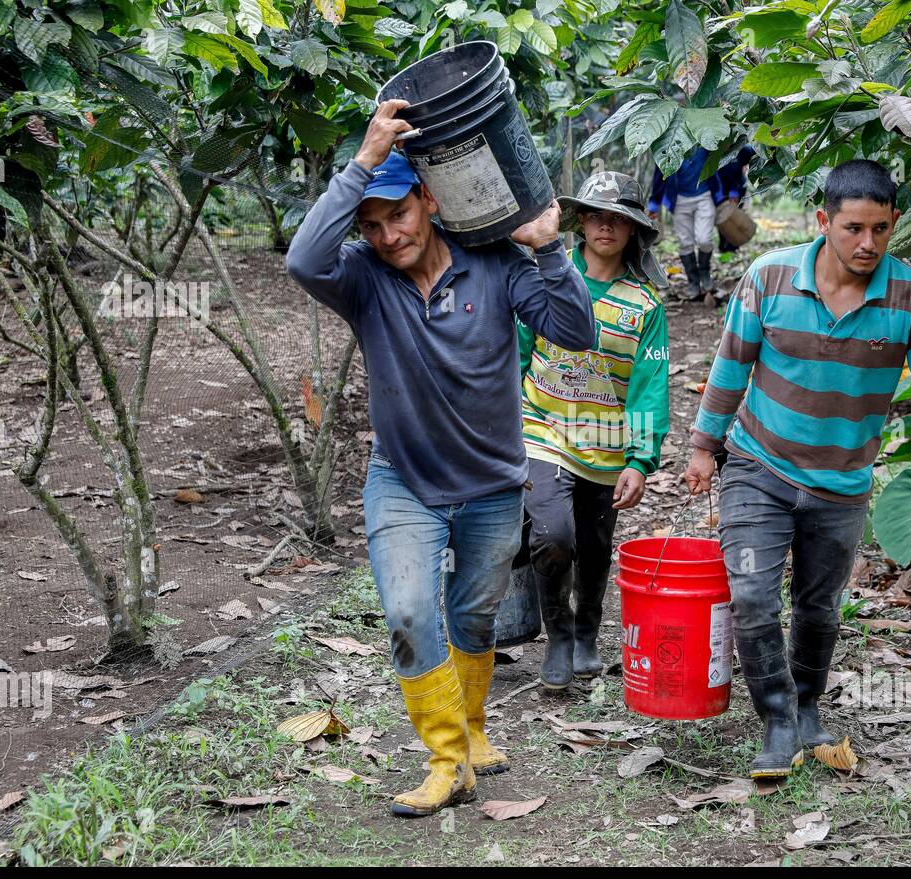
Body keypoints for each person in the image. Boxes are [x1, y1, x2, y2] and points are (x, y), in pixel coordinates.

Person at [286, 99, 595, 816]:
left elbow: (574, 333)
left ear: (428, 200)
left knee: (474, 620)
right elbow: (303, 259)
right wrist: (363, 161)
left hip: (490, 484)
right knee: (407, 613)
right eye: (369, 224)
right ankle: (447, 760)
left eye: (396, 214)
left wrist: (549, 248)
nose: (387, 235)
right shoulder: (362, 278)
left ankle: (475, 727)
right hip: (403, 480)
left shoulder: (493, 264)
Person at [683, 159, 911, 780]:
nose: (866, 243)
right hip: (759, 464)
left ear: (894, 224)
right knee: (755, 596)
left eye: (879, 229)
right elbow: (731, 364)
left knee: (819, 606)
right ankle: (778, 718)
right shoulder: (769, 277)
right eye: (852, 228)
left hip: (842, 484)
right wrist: (704, 446)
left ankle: (809, 706)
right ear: (824, 221)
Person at [519, 171, 670, 690]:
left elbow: (649, 386)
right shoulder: (549, 278)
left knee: (596, 543)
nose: (606, 226)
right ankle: (558, 634)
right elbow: (517, 352)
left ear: (634, 231)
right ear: (580, 222)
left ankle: (587, 632)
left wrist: (639, 459)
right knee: (552, 535)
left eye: (619, 219)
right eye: (596, 215)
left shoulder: (645, 305)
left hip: (605, 446)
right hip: (541, 427)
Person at [648, 146, 716, 301]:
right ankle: (693, 282)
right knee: (685, 242)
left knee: (704, 240)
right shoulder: (671, 146)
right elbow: (659, 175)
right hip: (679, 199)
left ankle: (705, 273)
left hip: (704, 195)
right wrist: (654, 204)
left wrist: (732, 191)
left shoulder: (705, 143)